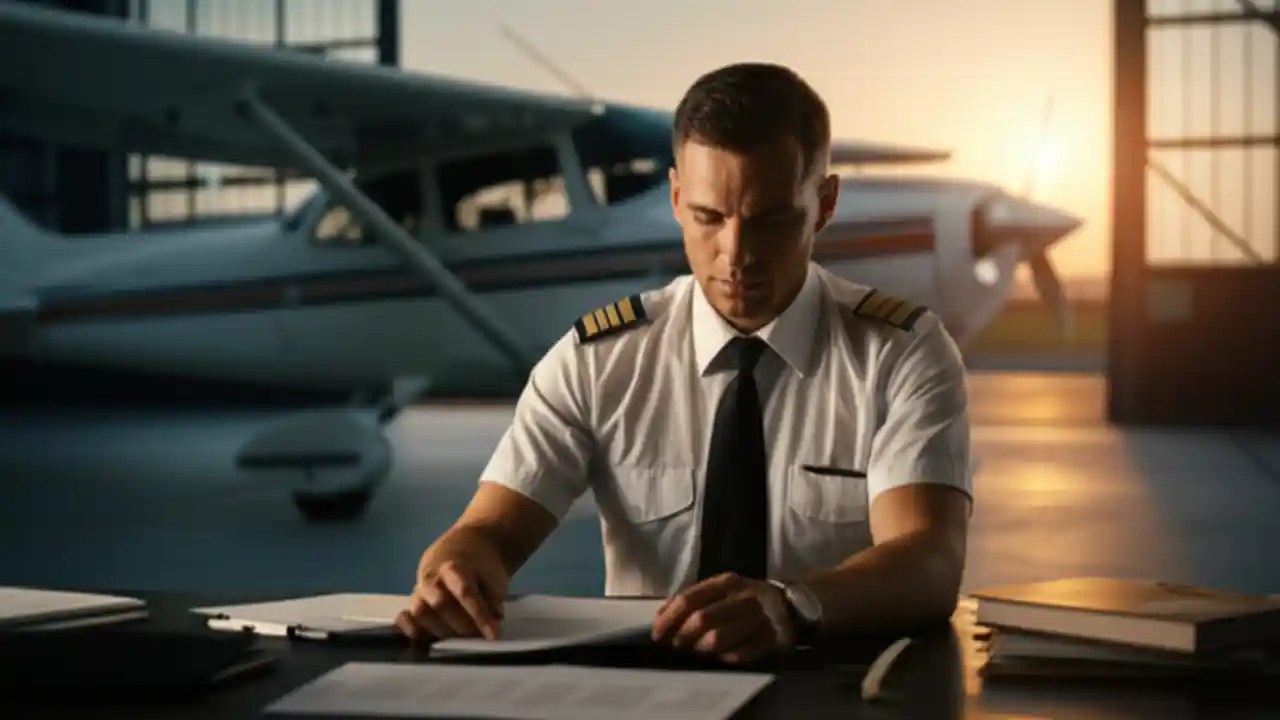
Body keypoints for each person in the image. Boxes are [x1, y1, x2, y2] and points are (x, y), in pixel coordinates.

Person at [395, 62, 972, 665]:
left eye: (771, 220)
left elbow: (929, 559)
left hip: (831, 686)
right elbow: (488, 530)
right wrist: (453, 570)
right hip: (646, 694)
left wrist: (793, 605)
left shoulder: (900, 355)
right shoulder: (598, 360)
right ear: (675, 198)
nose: (737, 253)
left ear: (824, 204)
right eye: (708, 217)